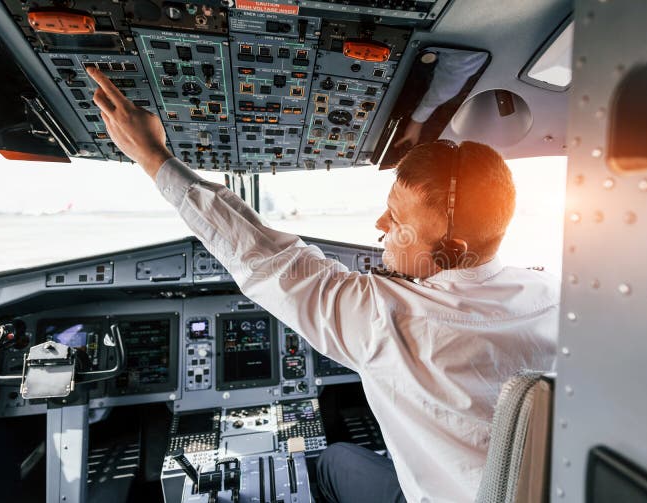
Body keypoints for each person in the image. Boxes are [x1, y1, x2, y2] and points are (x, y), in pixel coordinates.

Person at [87, 67, 558, 503]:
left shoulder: (390, 320)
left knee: (331, 462)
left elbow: (265, 259)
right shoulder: (558, 299)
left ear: (452, 249)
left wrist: (153, 156)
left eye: (397, 221)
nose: (380, 225)